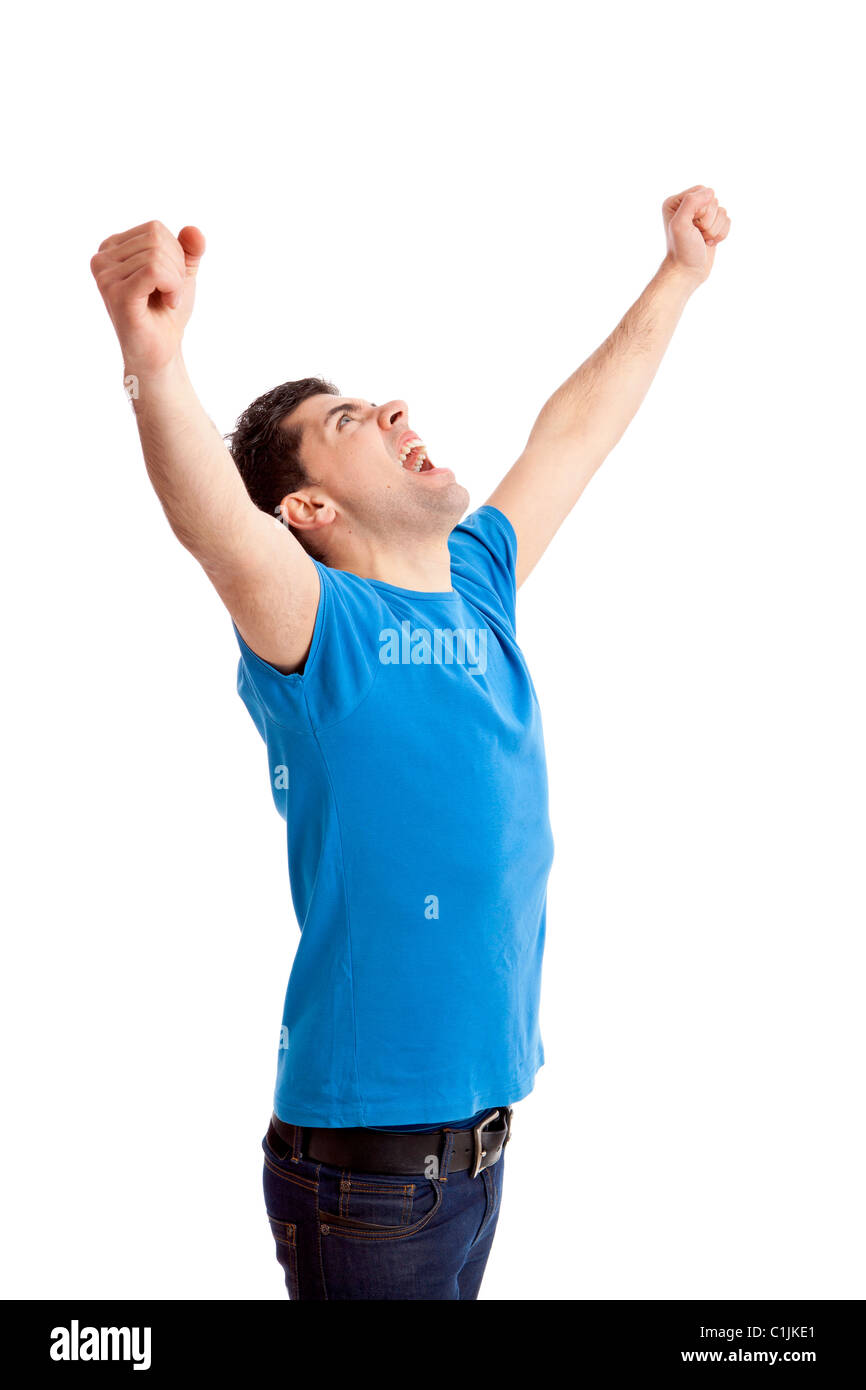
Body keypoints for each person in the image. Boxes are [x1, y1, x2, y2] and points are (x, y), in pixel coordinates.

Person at [90, 186, 730, 1300]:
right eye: (345, 424)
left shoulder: (477, 585)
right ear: (308, 514)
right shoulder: (316, 630)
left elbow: (573, 430)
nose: (388, 408)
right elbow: (211, 519)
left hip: (468, 1158)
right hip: (373, 1182)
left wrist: (674, 275)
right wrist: (151, 352)